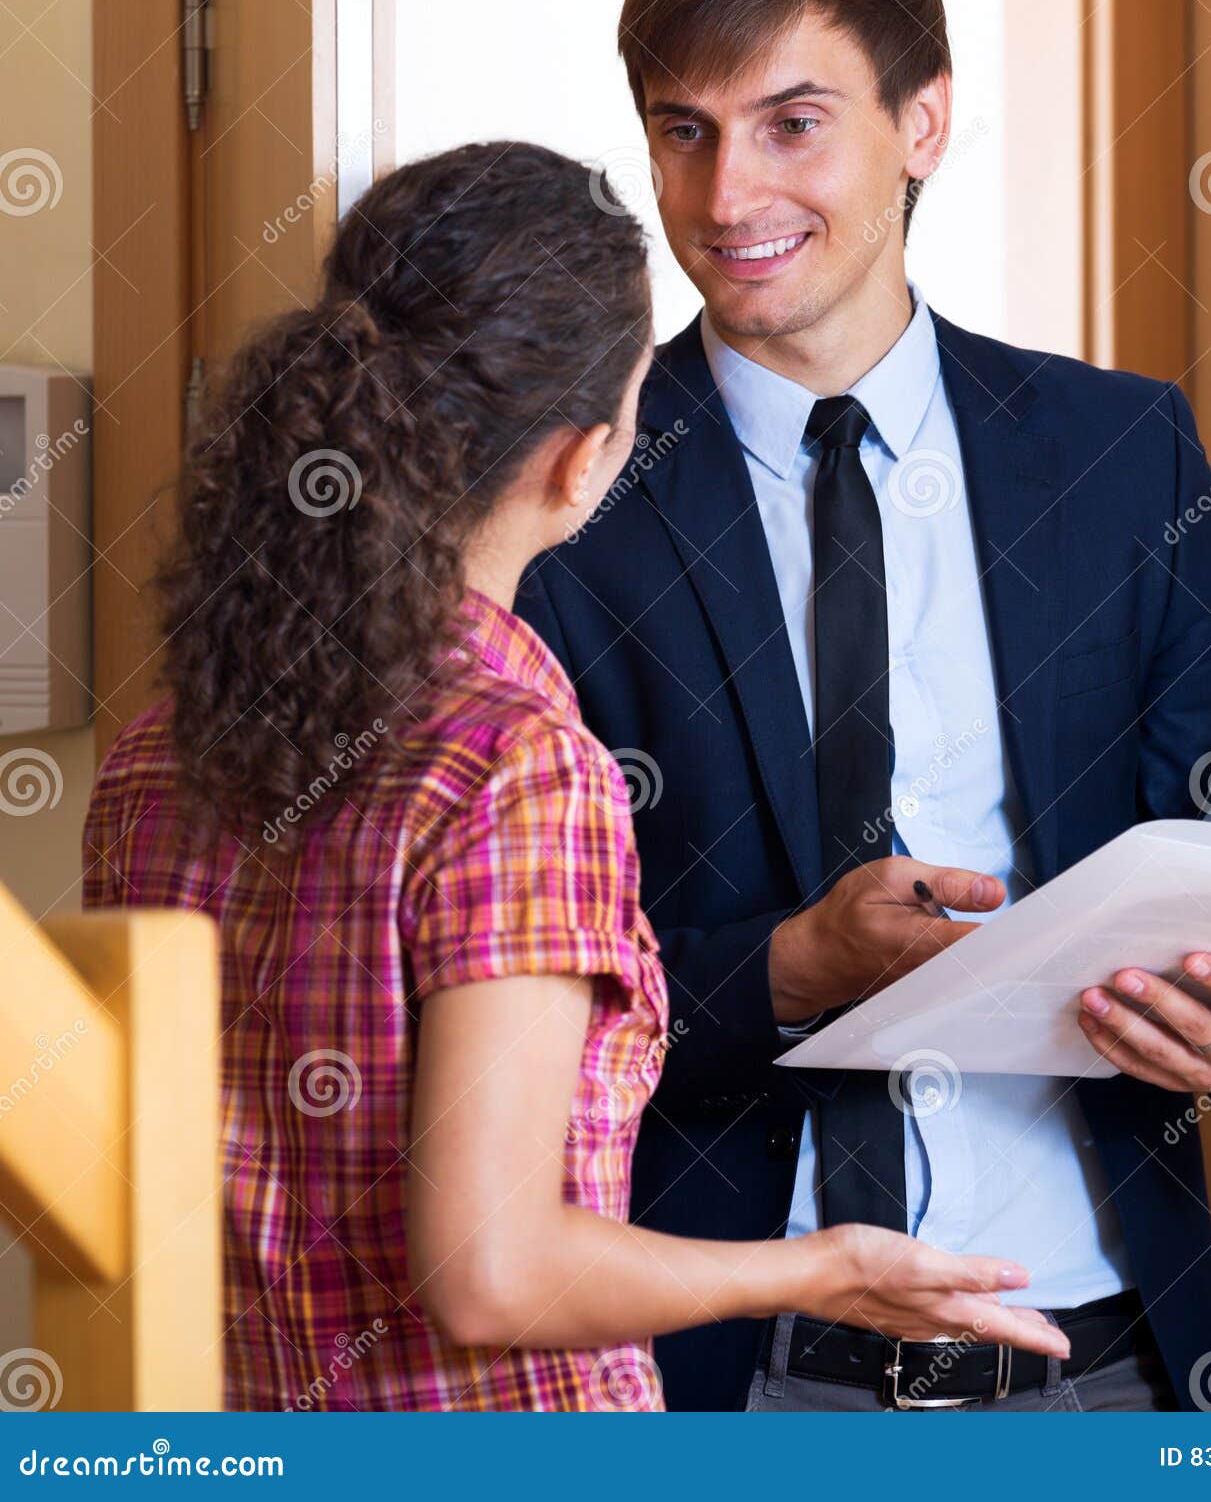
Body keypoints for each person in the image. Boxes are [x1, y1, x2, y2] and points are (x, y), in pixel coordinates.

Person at [516, 0, 1211, 1413]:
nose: (724, 198)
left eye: (789, 123)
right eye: (681, 131)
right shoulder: (566, 503)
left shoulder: (1124, 456)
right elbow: (516, 1003)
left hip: (1097, 1353)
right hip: (734, 1371)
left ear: (922, 123)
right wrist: (786, 971)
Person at [80, 139, 1068, 1412]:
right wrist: (812, 1267)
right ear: (583, 455)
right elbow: (491, 1273)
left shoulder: (155, 752)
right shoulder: (514, 768)